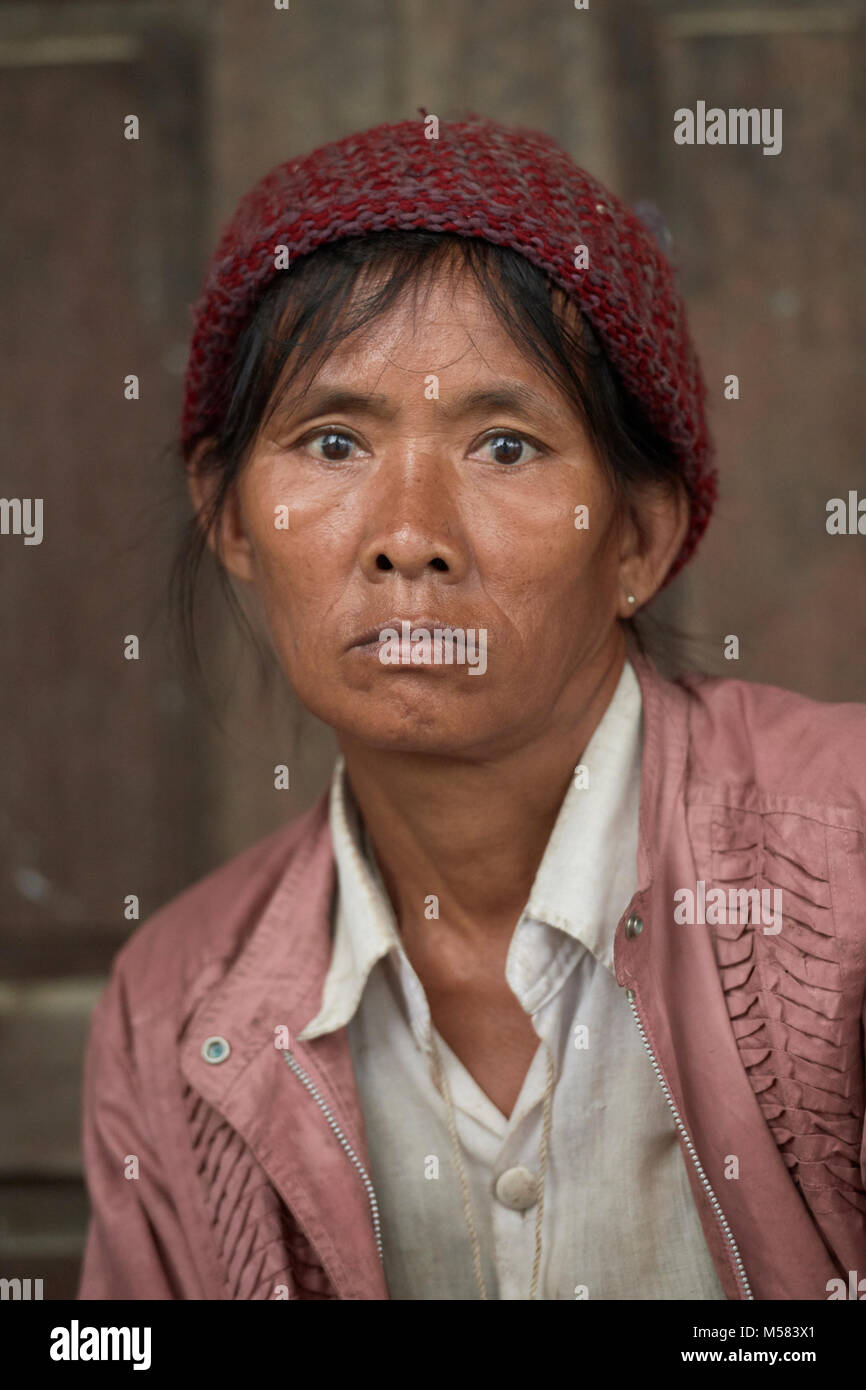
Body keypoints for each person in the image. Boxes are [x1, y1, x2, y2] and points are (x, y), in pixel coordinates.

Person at [77, 114, 866, 1301]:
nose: (409, 538)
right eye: (332, 441)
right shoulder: (173, 1011)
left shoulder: (844, 868)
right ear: (232, 519)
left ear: (638, 538)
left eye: (504, 446)